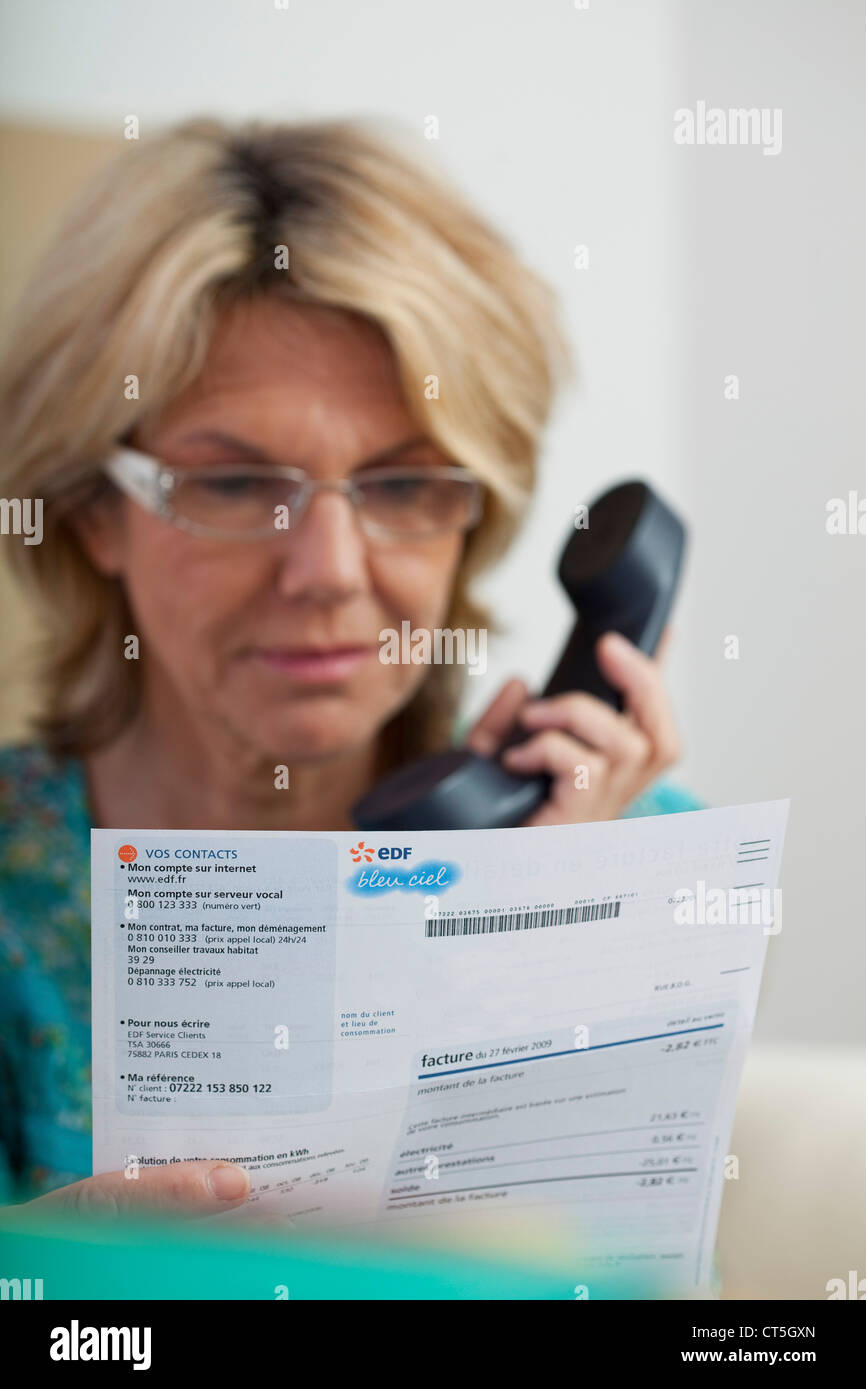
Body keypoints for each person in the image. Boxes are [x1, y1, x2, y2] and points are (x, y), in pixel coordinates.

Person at [0, 115, 702, 1218]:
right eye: (233, 486)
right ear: (95, 512)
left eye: (402, 485)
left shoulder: (612, 849)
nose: (327, 571)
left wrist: (535, 947)